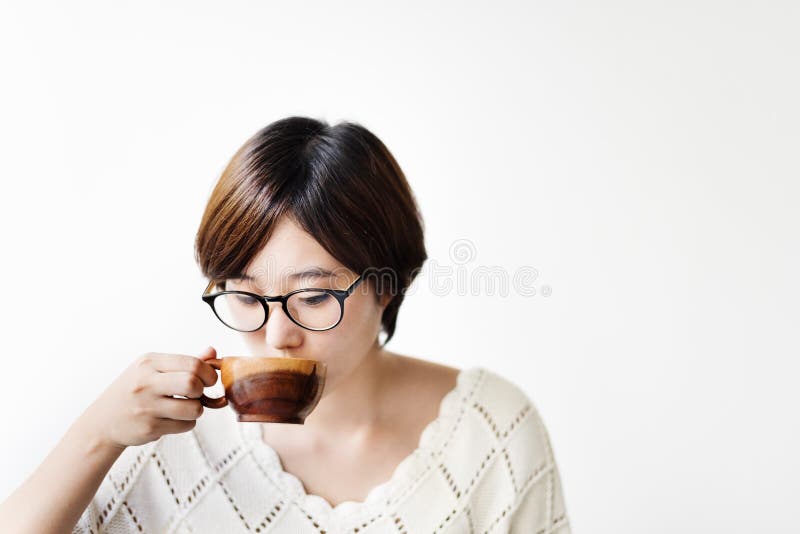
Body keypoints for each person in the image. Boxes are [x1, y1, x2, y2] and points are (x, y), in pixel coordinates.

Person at [0, 116, 571, 533]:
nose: (277, 335)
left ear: (388, 284)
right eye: (245, 295)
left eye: (316, 295)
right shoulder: (160, 437)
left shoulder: (489, 429)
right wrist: (95, 437)